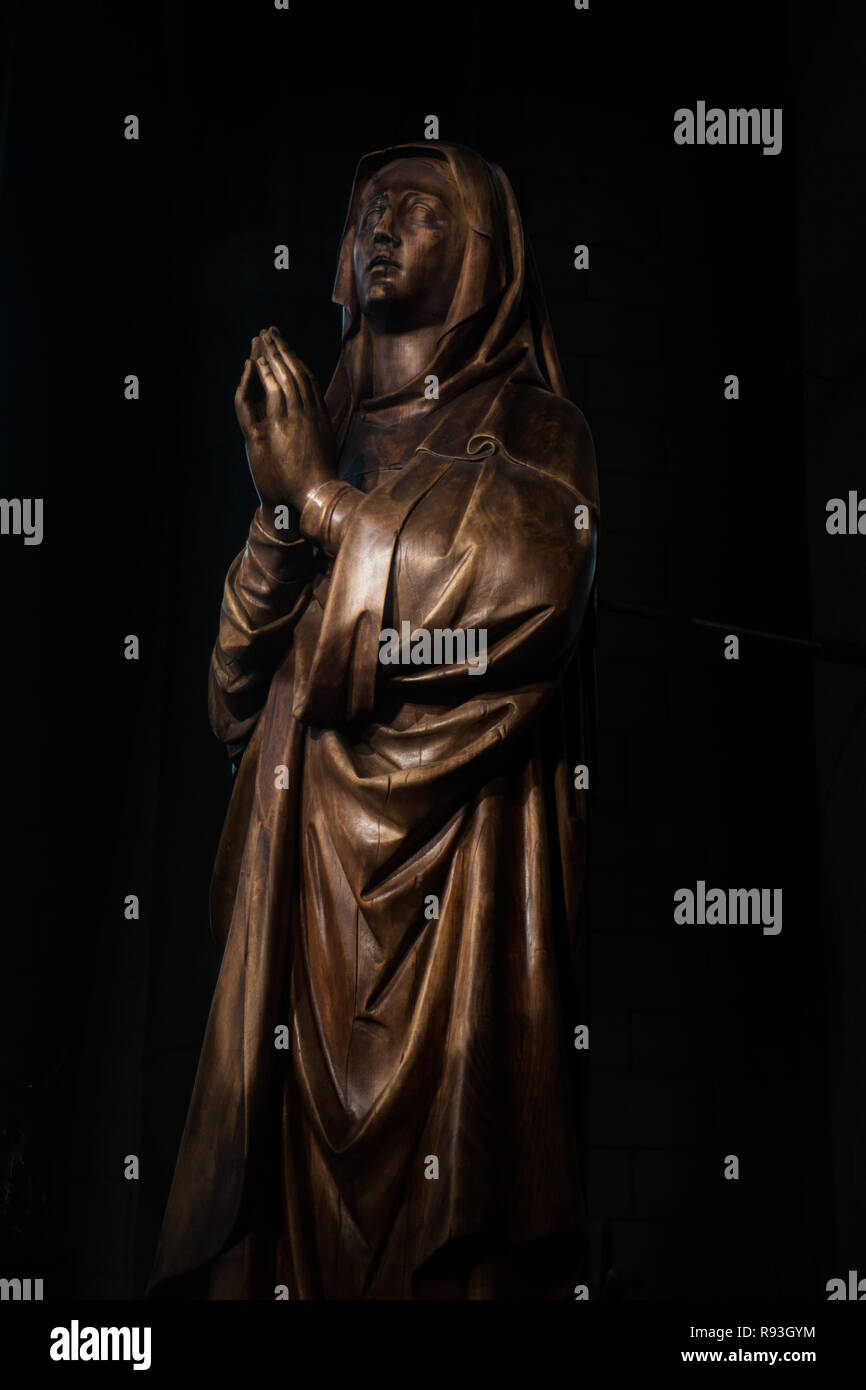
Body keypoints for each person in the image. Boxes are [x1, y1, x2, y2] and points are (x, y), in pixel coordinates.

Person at [148, 141, 599, 1300]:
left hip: (451, 898)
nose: (381, 225)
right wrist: (275, 515)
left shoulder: (533, 427)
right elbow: (230, 696)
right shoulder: (323, 431)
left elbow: (515, 604)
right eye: (370, 209)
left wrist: (315, 499)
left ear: (483, 257)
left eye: (419, 209)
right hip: (299, 896)